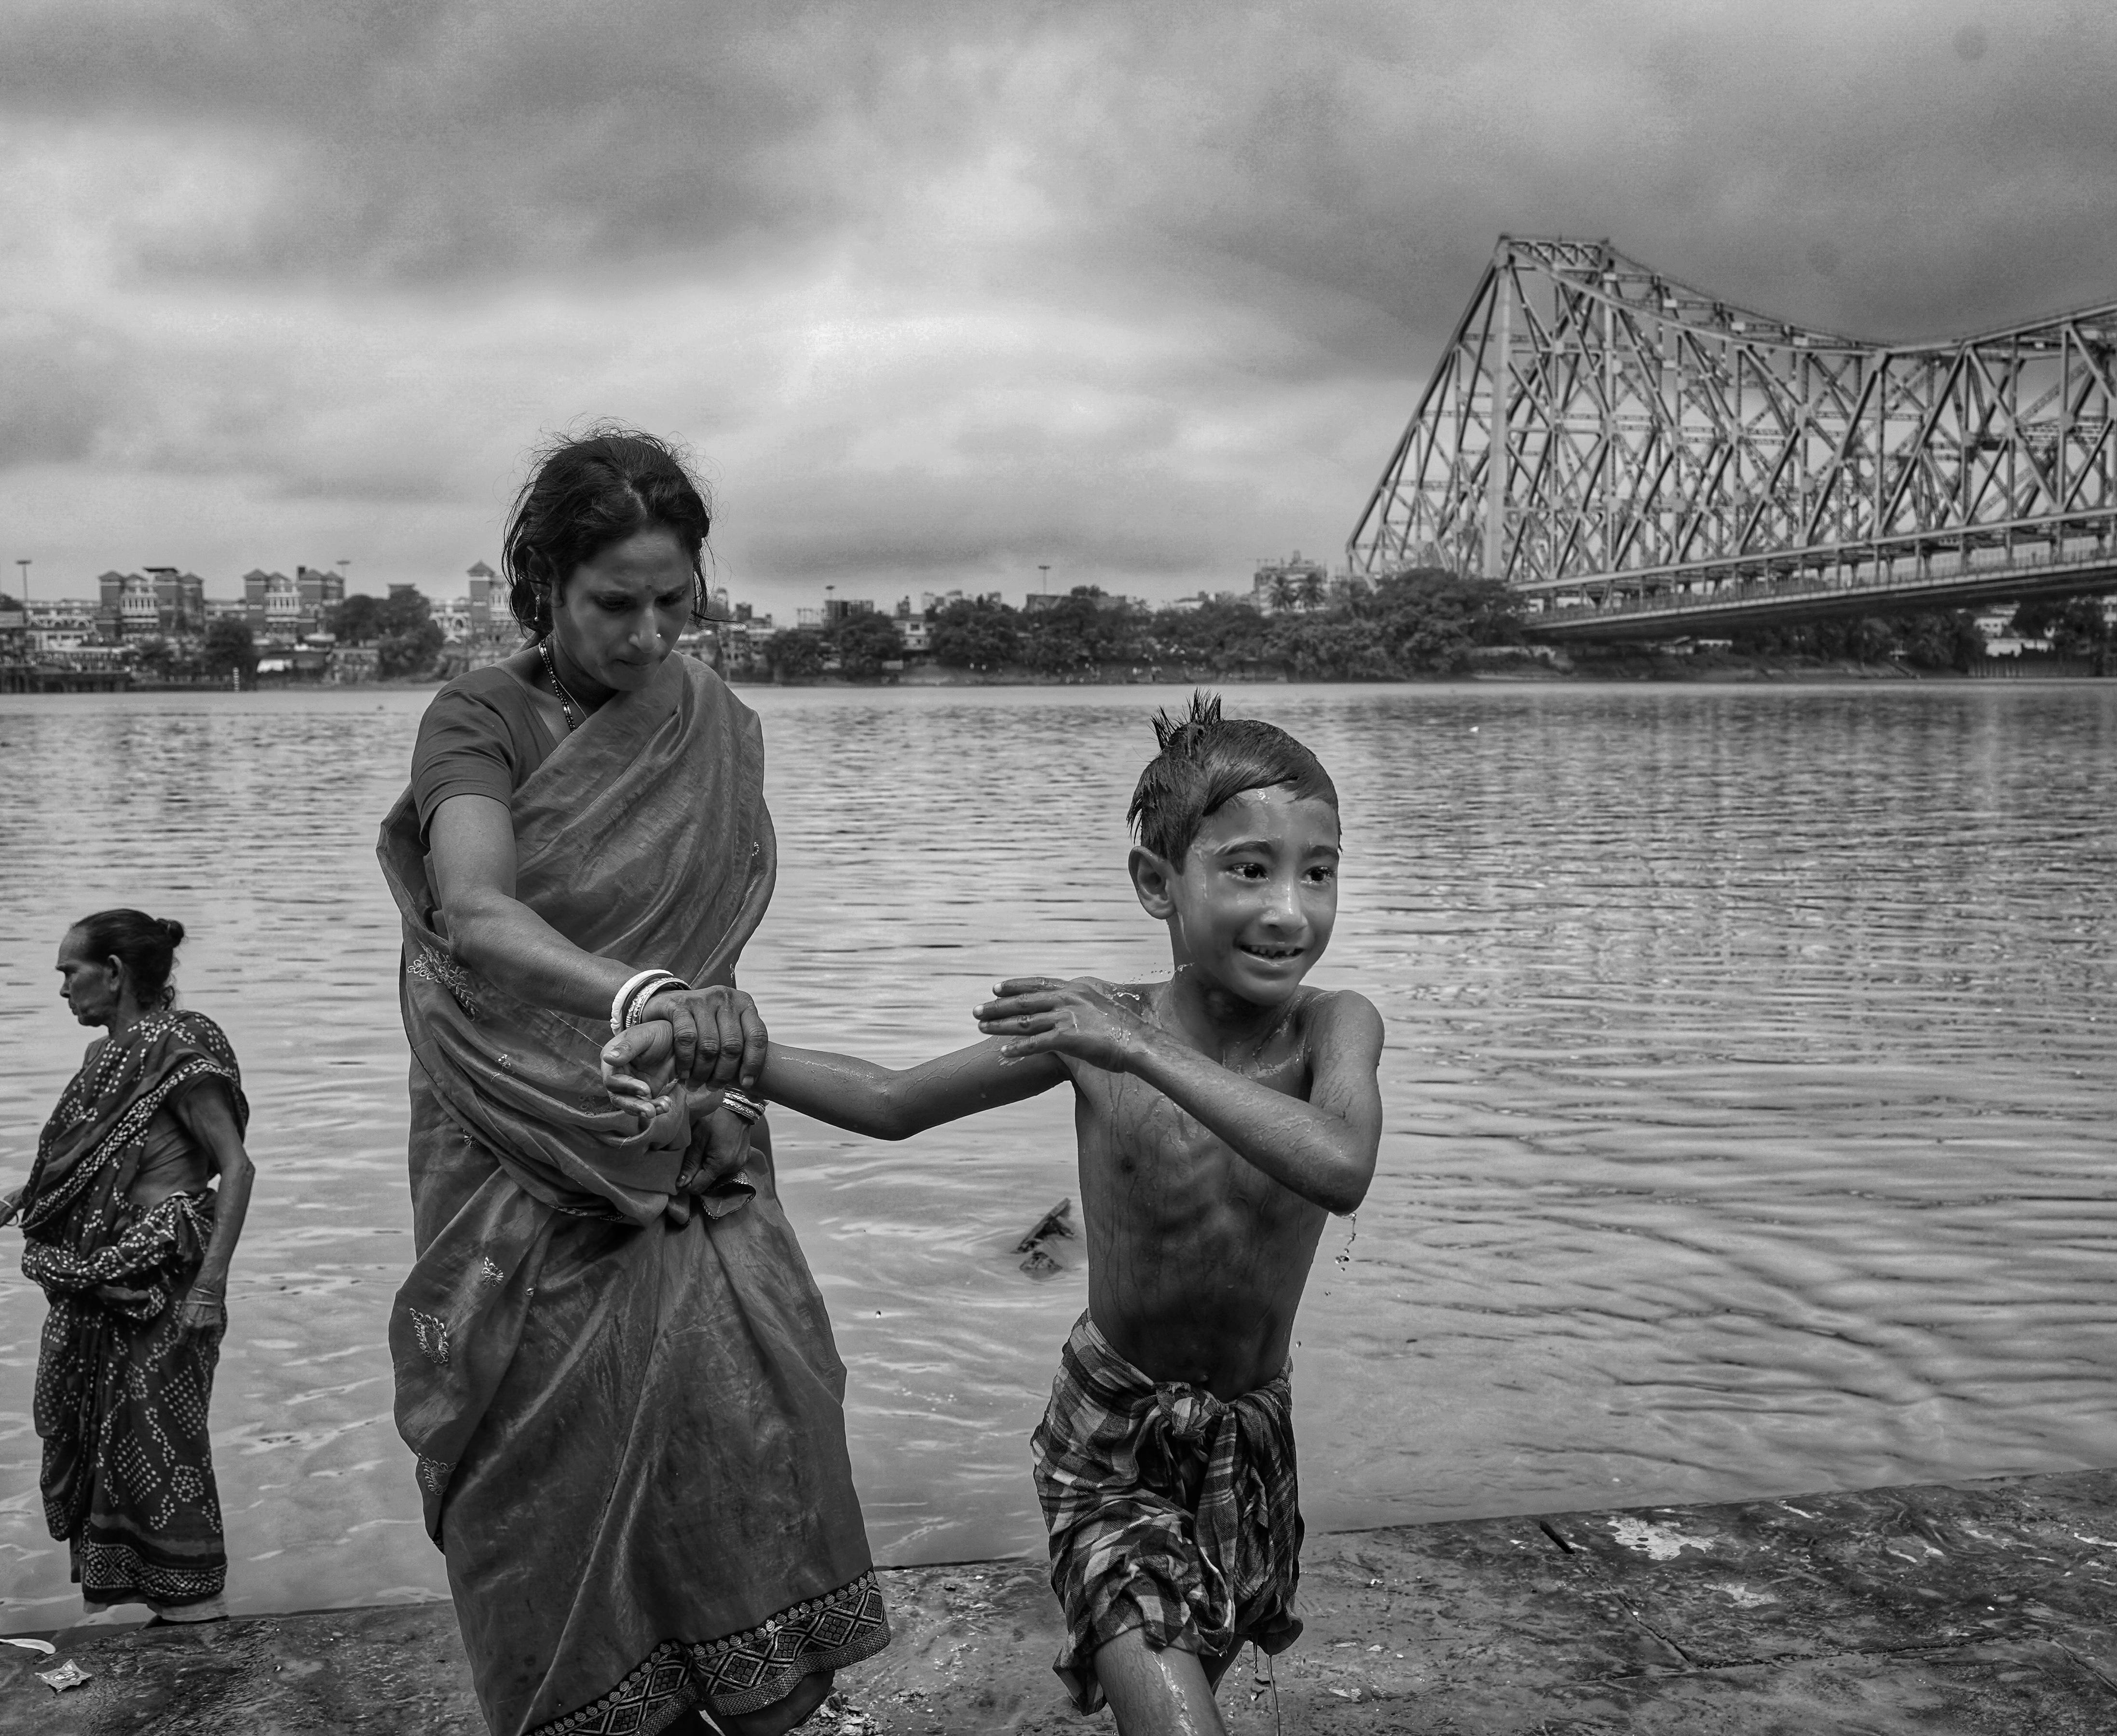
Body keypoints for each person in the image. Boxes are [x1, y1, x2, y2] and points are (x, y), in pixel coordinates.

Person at [607, 695, 1383, 1736]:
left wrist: (1141, 1051)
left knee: (1184, 1681)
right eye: (1250, 869)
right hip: (1112, 1434)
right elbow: (891, 1102)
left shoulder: (1332, 1025)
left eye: (1318, 871)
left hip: (1249, 1436)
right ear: (1158, 884)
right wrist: (726, 1055)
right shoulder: (1096, 1028)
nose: (1291, 911)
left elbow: (1340, 1164)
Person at [381, 426, 886, 1736]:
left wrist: (697, 1041)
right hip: (522, 1170)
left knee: (748, 1472)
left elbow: (708, 959)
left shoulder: (716, 728)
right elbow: (475, 912)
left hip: (689, 1158)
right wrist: (637, 995)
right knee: (541, 1494)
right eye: (616, 604)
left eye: (678, 604)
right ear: (539, 587)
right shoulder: (482, 719)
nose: (652, 637)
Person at [0, 909, 254, 1625]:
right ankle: (167, 1612)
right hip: (103, 1294)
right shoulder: (104, 1060)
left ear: (114, 972)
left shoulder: (180, 1045)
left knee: (164, 1445)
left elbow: (236, 1168)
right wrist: (12, 1201)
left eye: (70, 972)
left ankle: (197, 1611)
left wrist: (209, 1289)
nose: (62, 989)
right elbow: (87, 1171)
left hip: (165, 1286)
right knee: (112, 1450)